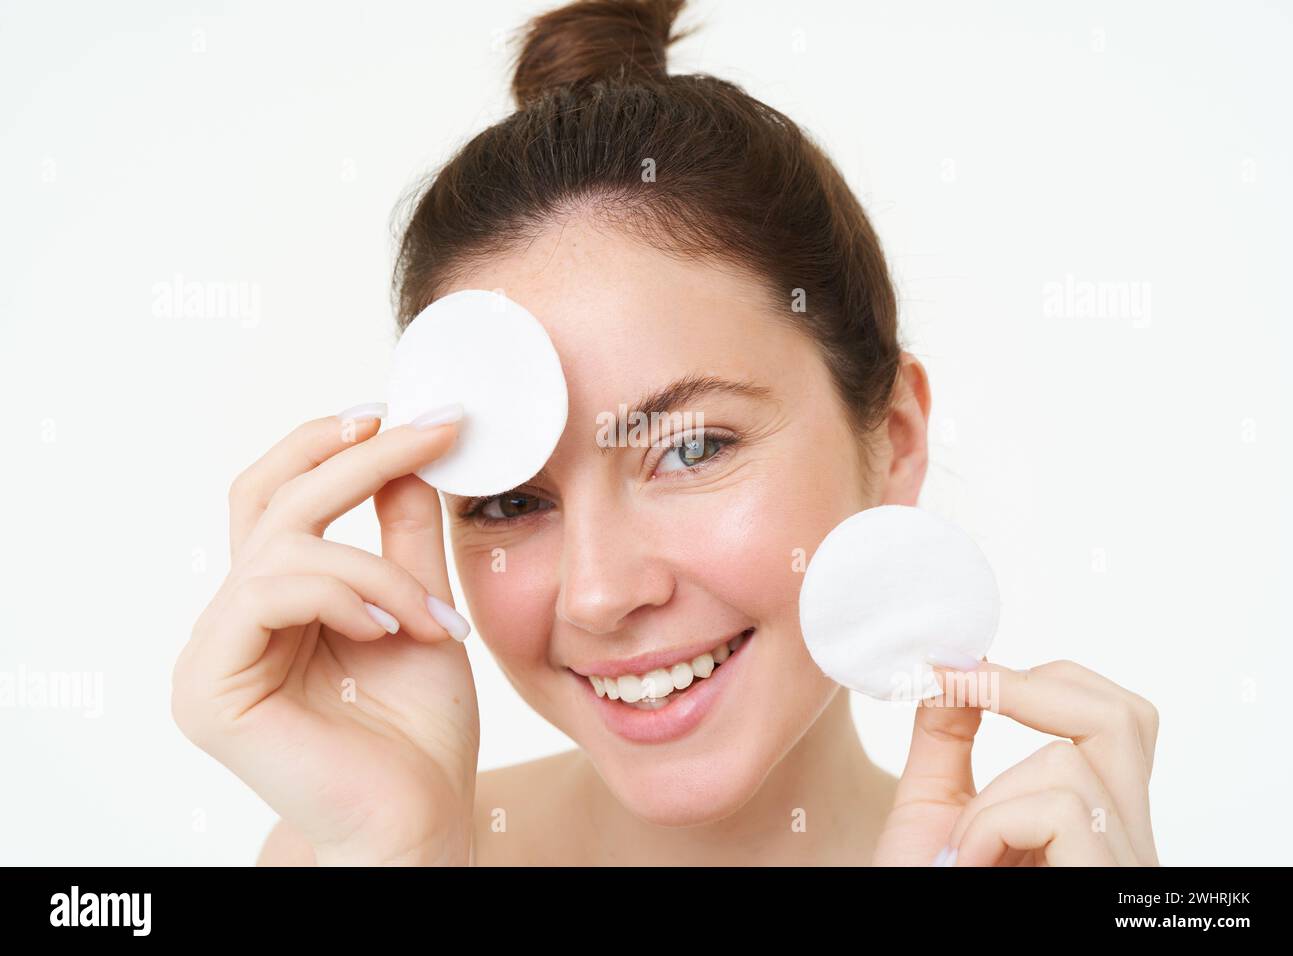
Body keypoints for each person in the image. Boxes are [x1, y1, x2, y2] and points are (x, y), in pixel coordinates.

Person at [171, 0, 1159, 866]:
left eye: (692, 447)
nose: (600, 594)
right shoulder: (342, 854)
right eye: (510, 501)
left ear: (892, 437)